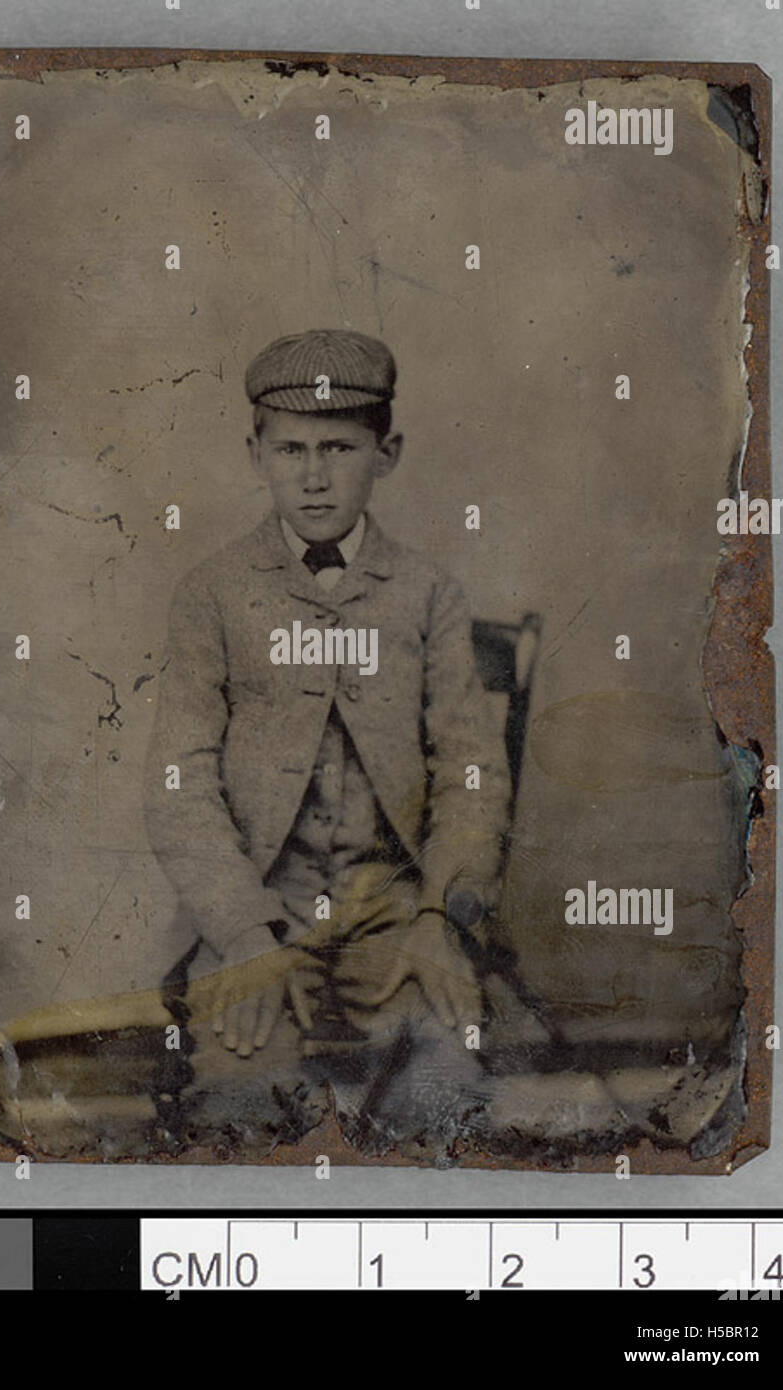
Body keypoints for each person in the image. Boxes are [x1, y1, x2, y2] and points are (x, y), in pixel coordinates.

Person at [144, 328, 513, 1152]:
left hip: (395, 915)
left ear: (387, 453)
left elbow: (472, 775)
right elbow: (179, 787)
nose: (313, 476)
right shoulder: (212, 595)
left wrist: (440, 922)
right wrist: (242, 937)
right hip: (259, 912)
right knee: (241, 1098)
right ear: (255, 454)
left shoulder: (426, 594)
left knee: (444, 1092)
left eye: (340, 448)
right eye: (291, 449)